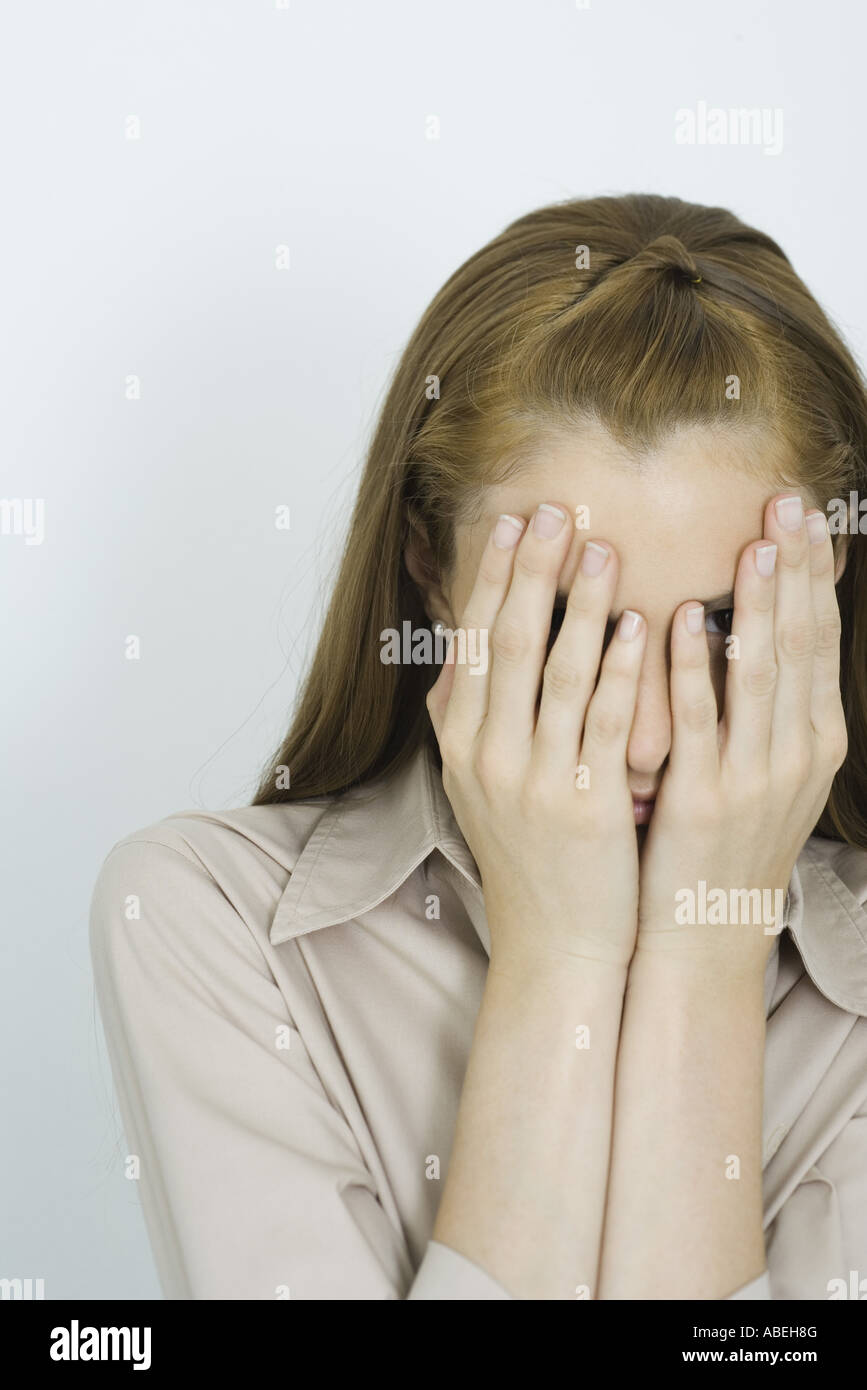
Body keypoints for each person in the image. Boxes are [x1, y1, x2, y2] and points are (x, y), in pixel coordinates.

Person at [90, 193, 867, 1300]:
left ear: (826, 586)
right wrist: (560, 954)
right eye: (567, 627)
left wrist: (704, 961)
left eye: (721, 628)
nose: (647, 736)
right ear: (428, 566)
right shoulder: (211, 923)